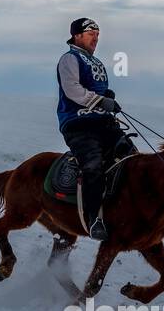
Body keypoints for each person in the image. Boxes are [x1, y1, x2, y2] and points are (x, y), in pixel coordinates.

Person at [56, 17, 131, 241]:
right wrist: (100, 100)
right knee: (93, 165)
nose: (96, 38)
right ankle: (94, 219)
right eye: (91, 34)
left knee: (131, 157)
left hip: (101, 122)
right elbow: (72, 90)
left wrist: (106, 96)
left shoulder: (96, 62)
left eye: (97, 34)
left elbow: (94, 89)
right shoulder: (69, 58)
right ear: (77, 35)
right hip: (78, 124)